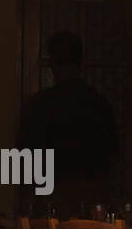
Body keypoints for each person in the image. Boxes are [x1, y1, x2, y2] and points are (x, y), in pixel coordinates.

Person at [19, 31, 118, 214]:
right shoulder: (99, 103)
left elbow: (27, 154)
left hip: (49, 196)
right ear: (81, 63)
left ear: (52, 64)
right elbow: (112, 154)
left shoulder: (40, 105)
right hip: (91, 197)